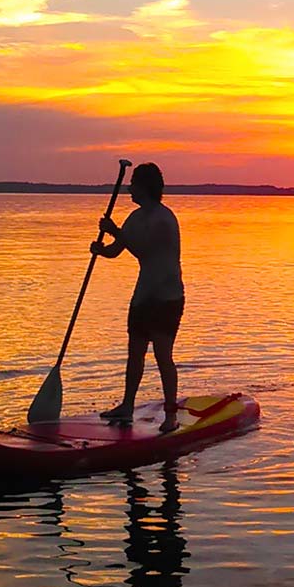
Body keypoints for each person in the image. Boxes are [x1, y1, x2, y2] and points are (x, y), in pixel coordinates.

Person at [90, 161, 184, 431]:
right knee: (135, 354)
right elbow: (117, 250)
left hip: (167, 298)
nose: (129, 188)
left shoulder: (165, 219)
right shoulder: (135, 218)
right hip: (143, 297)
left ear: (145, 187)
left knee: (163, 356)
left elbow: (144, 250)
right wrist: (100, 249)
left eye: (134, 184)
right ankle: (127, 406)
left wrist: (115, 231)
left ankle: (171, 415)